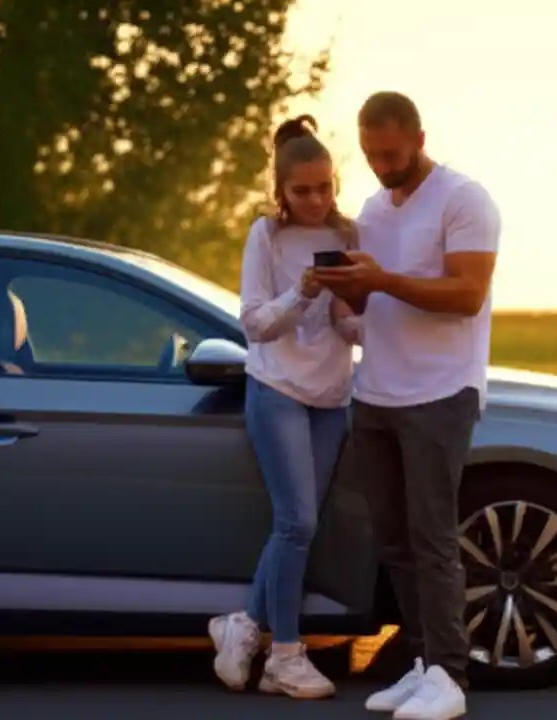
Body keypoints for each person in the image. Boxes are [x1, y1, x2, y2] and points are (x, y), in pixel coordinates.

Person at [313, 91, 500, 720]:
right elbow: (371, 309)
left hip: (439, 394)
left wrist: (382, 280)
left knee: (432, 539)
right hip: (377, 395)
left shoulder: (463, 199)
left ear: (419, 139)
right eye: (369, 155)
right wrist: (343, 294)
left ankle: (451, 676)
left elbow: (468, 294)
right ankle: (422, 665)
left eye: (390, 154)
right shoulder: (372, 207)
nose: (381, 166)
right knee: (393, 541)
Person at [207, 114, 360, 700]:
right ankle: (287, 656)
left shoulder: (349, 235)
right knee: (299, 522)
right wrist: (303, 291)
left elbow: (346, 325)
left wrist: (385, 318)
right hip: (277, 392)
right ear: (281, 191)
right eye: (303, 190)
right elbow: (254, 325)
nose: (317, 200)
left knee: (297, 528)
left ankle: (243, 624)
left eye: (325, 187)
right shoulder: (264, 237)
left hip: (331, 397)